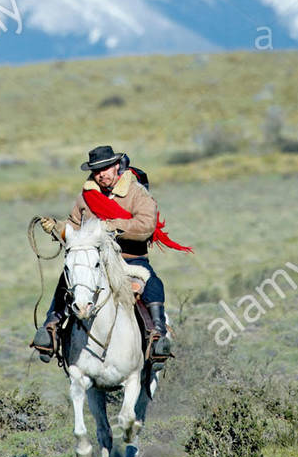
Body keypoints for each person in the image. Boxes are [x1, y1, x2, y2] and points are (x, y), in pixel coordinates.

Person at [31, 144, 191, 363]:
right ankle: (51, 329)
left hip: (129, 259)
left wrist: (111, 227)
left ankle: (157, 335)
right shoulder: (86, 197)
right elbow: (75, 230)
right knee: (67, 280)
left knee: (152, 282)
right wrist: (57, 227)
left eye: (105, 168)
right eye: (96, 171)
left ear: (117, 166)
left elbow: (146, 226)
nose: (101, 174)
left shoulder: (136, 193)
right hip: (95, 259)